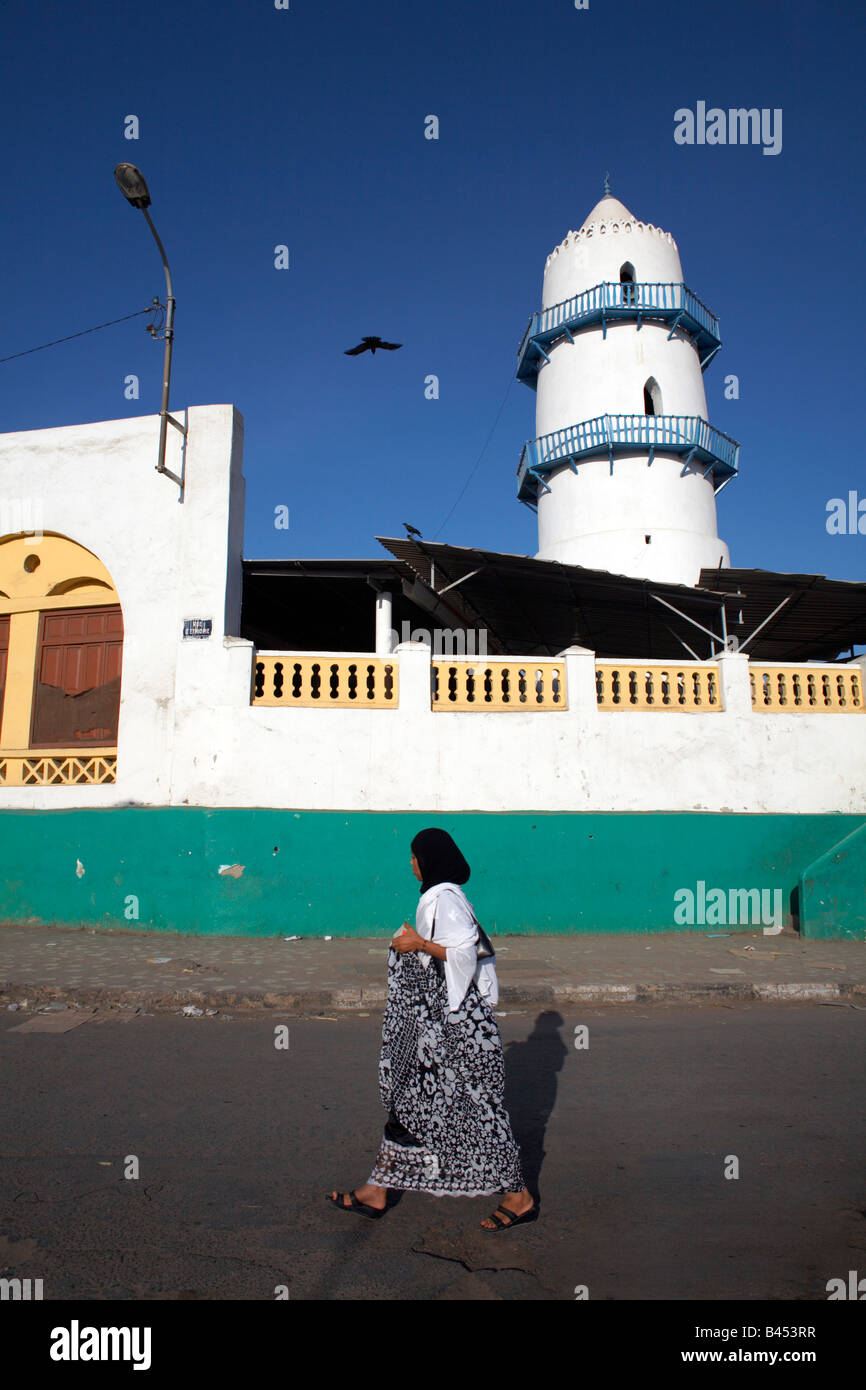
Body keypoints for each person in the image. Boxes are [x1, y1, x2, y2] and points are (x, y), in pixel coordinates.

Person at [327, 827, 537, 1230]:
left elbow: (464, 953)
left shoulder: (444, 899)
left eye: (413, 856)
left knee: (477, 1110)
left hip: (456, 1028)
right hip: (439, 1025)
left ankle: (519, 1194)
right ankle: (378, 1188)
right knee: (408, 1099)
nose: (410, 863)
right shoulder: (442, 896)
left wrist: (418, 945)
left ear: (429, 860)